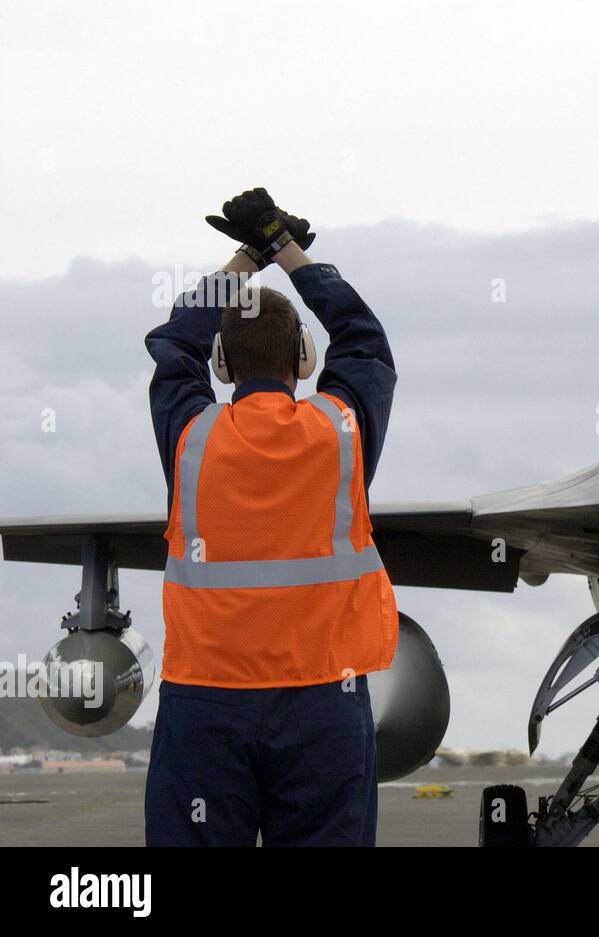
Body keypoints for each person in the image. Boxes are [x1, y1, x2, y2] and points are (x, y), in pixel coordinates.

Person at [142, 188, 398, 845]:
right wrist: (286, 249)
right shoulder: (340, 431)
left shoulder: (190, 438)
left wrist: (242, 264)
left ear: (220, 365)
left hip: (204, 702)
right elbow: (365, 342)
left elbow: (176, 343)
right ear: (304, 361)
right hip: (325, 703)